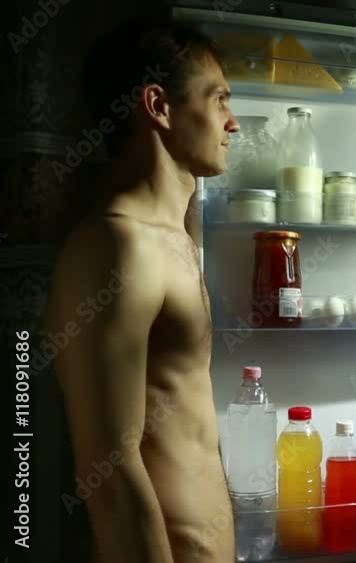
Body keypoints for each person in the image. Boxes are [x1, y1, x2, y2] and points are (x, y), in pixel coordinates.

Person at [45, 16, 240, 563]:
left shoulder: (174, 237)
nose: (234, 123)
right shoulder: (115, 246)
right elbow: (107, 472)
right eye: (220, 99)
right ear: (157, 105)